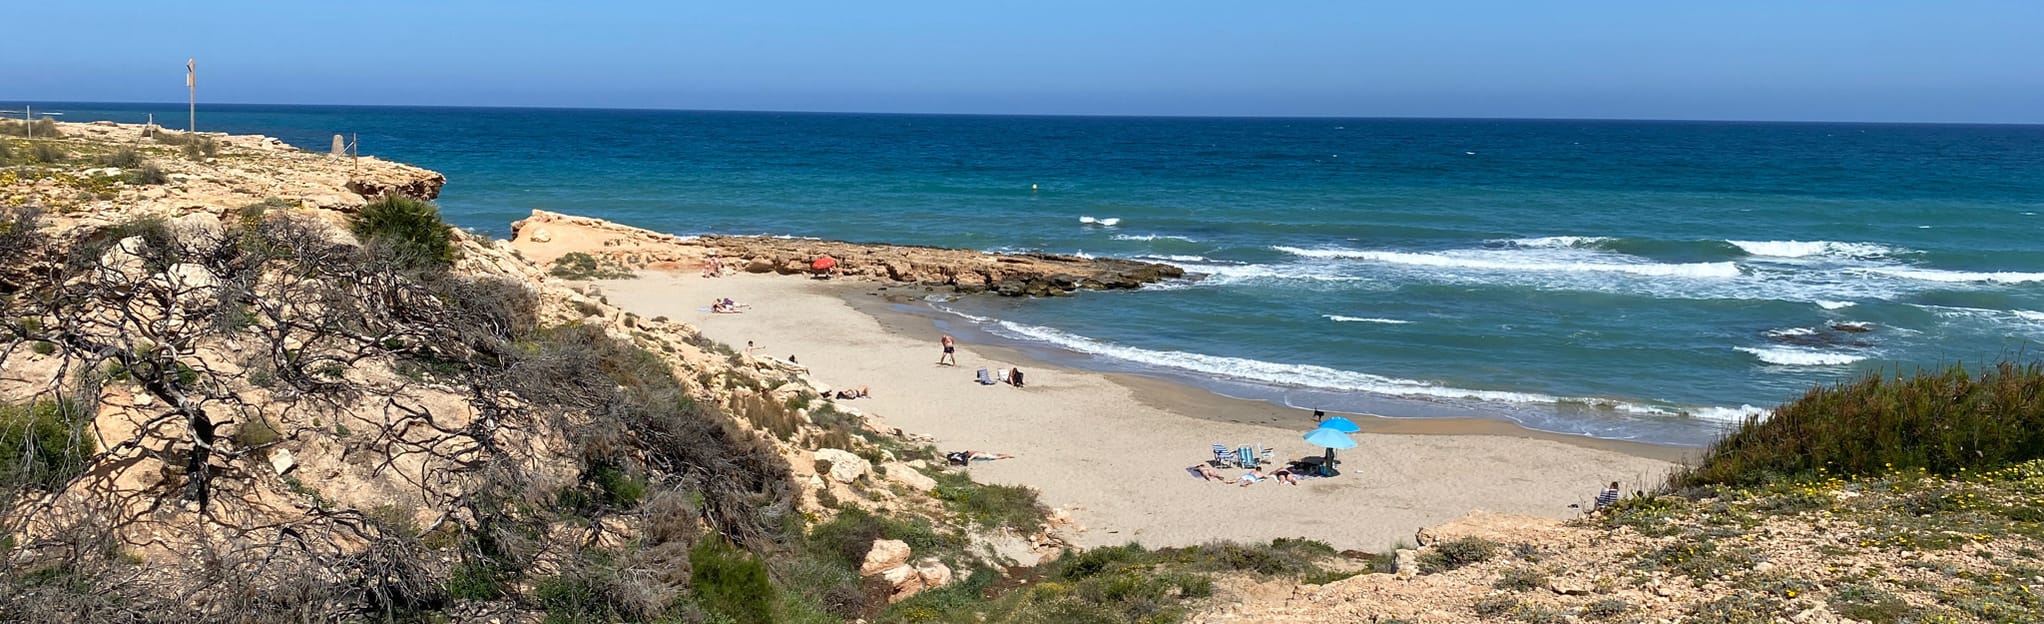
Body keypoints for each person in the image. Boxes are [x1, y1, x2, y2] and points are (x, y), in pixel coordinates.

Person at [945, 450, 1014, 465]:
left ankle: (1007, 456)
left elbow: (975, 454)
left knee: (997, 457)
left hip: (986, 456)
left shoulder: (973, 455)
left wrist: (970, 458)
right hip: (984, 455)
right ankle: (1006, 455)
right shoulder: (970, 454)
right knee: (996, 455)